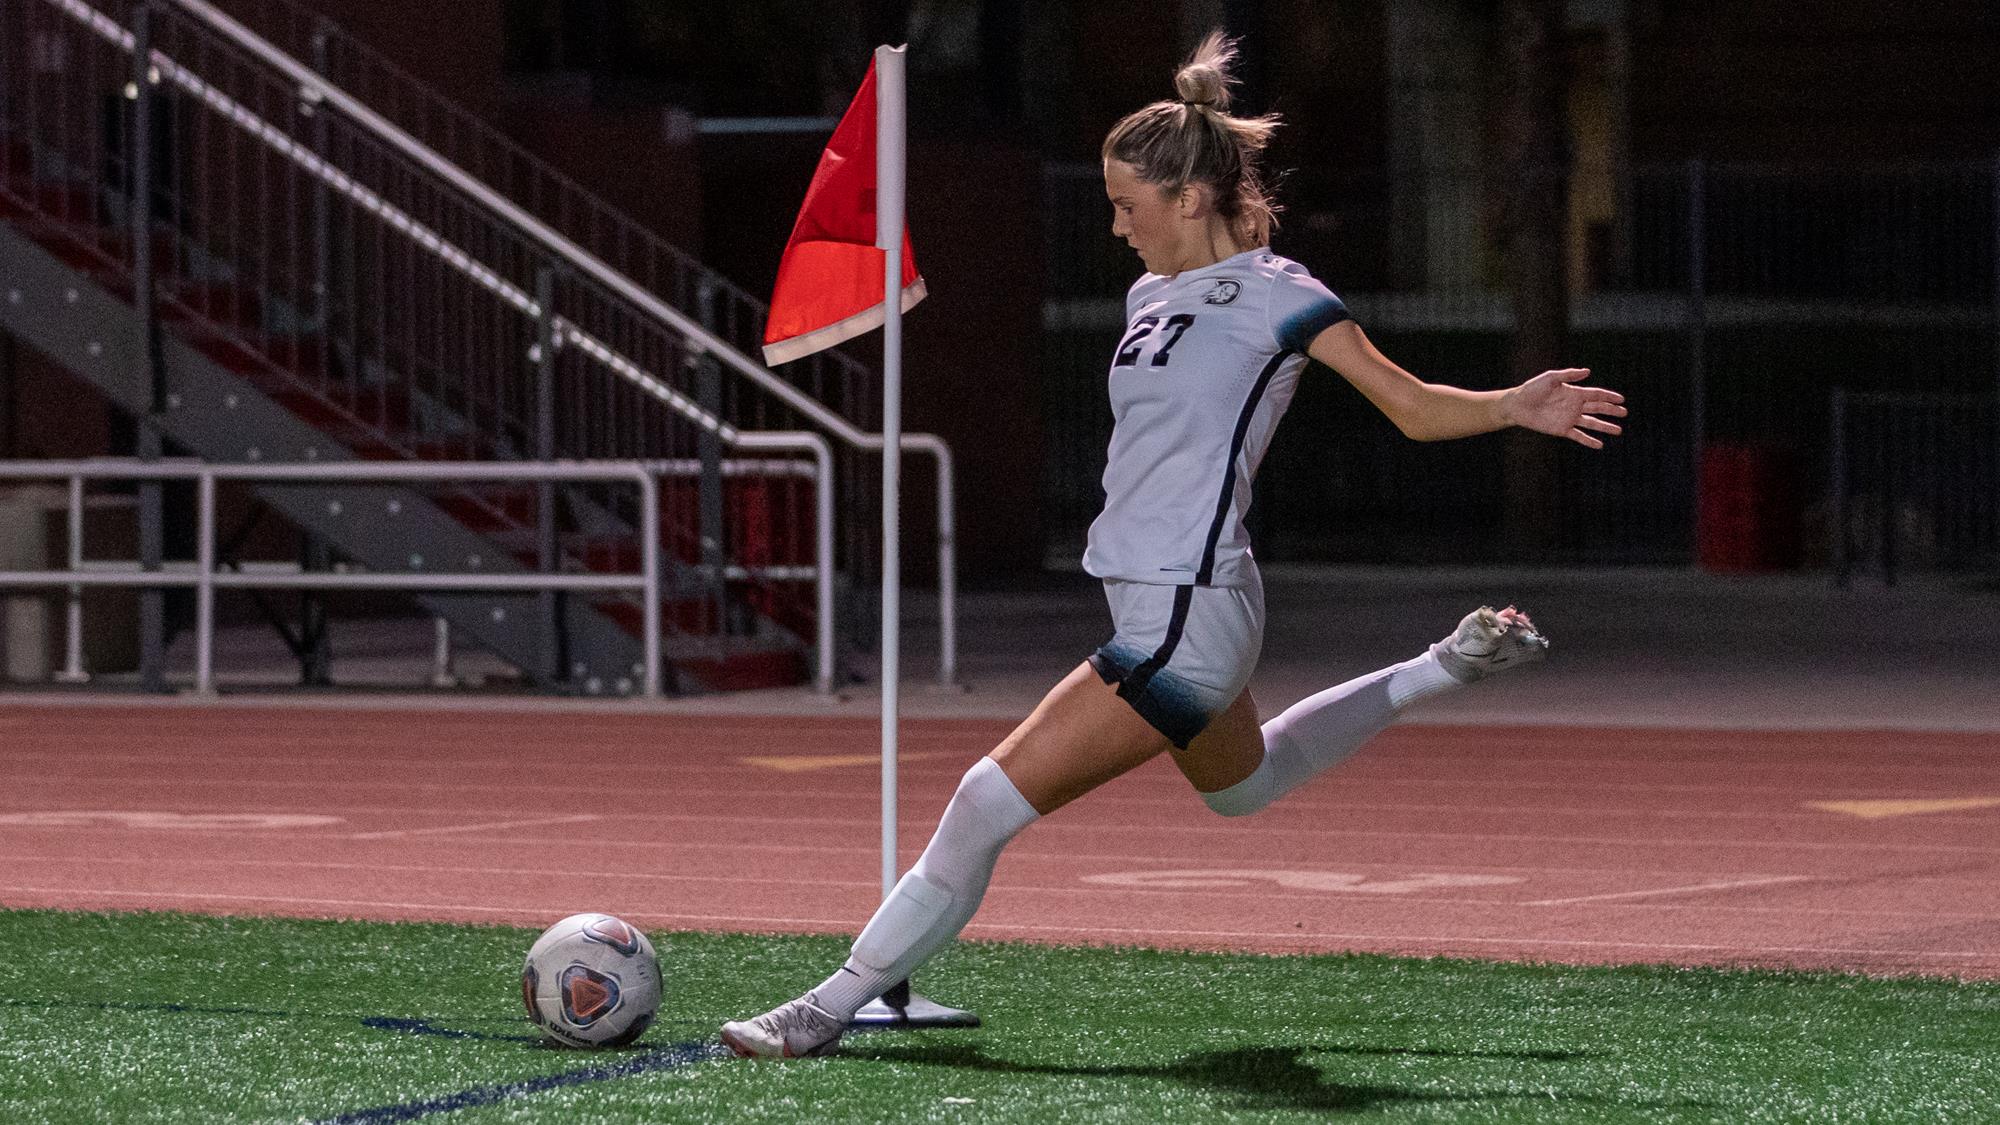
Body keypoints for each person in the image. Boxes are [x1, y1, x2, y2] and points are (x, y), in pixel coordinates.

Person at [721, 31, 1625, 1059]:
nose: (1115, 227)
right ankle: (1444, 666)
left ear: (1188, 200)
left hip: (1187, 607)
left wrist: (1514, 403)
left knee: (982, 801)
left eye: (1126, 206)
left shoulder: (1283, 292)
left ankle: (826, 1008)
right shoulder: (1147, 295)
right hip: (1172, 603)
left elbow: (1408, 409)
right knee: (1243, 789)